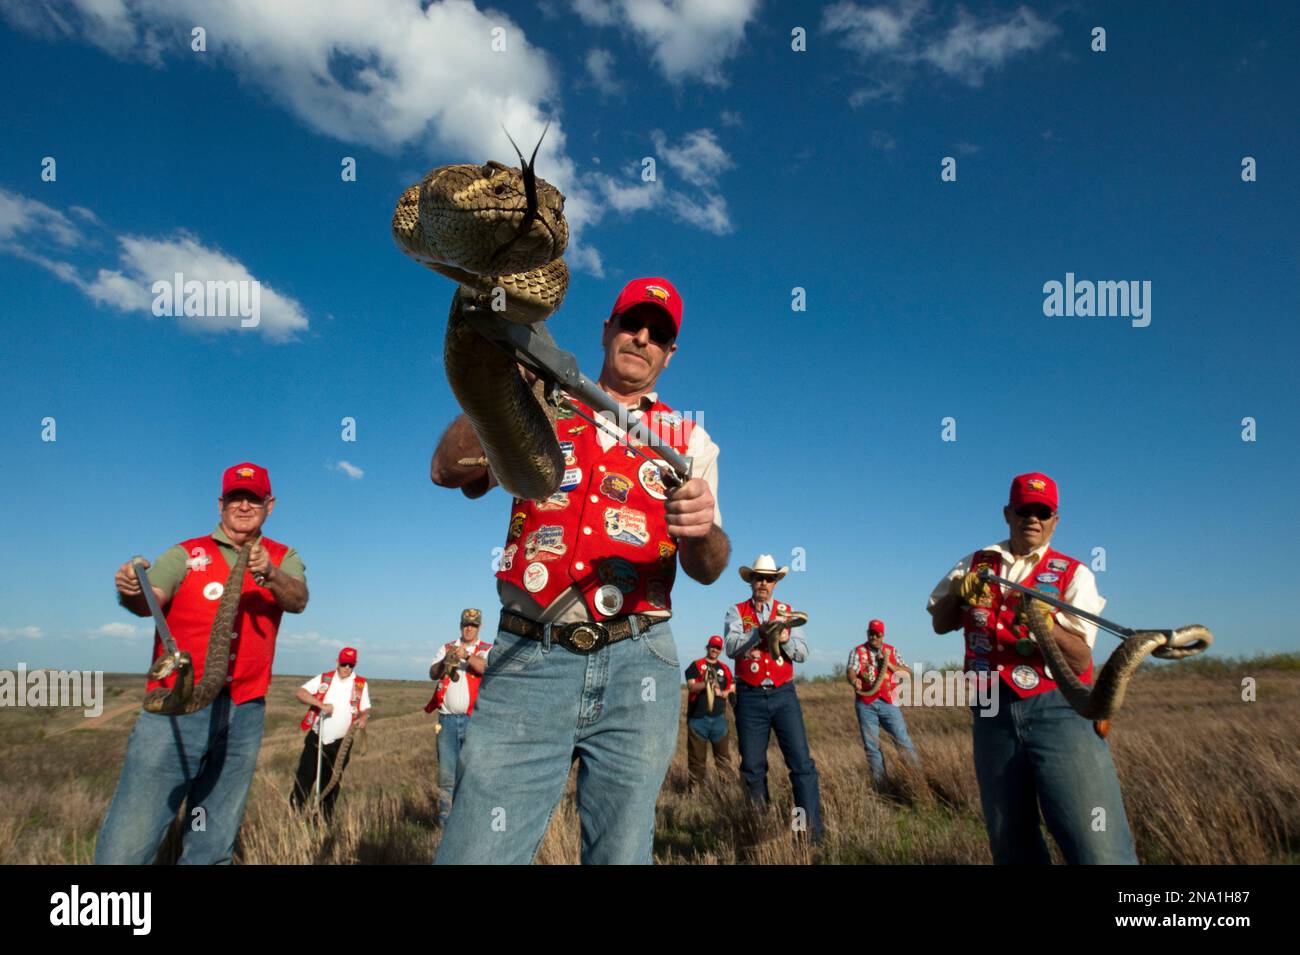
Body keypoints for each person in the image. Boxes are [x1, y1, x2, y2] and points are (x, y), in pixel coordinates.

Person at [430, 276, 730, 864]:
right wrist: (504, 387)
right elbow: (447, 468)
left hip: (639, 662)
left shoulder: (690, 440)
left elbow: (710, 566)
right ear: (606, 329)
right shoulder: (541, 400)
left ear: (670, 353)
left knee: (621, 852)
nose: (641, 338)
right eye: (631, 323)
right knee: (476, 852)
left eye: (658, 334)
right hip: (528, 658)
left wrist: (703, 529)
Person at [96, 462, 309, 864]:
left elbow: (297, 598)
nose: (243, 506)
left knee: (212, 836)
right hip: (176, 708)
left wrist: (270, 573)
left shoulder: (283, 556)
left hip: (243, 710)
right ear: (220, 503)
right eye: (234, 498)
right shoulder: (186, 553)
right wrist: (131, 589)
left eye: (253, 498)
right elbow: (149, 600)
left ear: (270, 504)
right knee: (133, 835)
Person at [926, 471, 1138, 864]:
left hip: (1059, 707)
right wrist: (958, 593)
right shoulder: (975, 562)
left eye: (1043, 512)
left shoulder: (1075, 574)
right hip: (990, 709)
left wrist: (1049, 623)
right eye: (1025, 510)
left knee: (1096, 844)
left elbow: (1080, 659)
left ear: (1056, 521)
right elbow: (940, 623)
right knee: (1011, 842)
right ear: (1009, 513)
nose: (1033, 519)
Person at [723, 554, 823, 842]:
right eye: (758, 578)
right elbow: (730, 647)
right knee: (752, 766)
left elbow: (802, 654)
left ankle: (809, 831)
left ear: (776, 582)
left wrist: (784, 639)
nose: (763, 583)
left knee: (801, 764)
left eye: (769, 578)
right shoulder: (736, 611)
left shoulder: (789, 612)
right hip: (750, 697)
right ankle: (760, 828)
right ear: (751, 581)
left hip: (783, 694)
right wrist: (758, 632)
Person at [425, 608, 492, 826]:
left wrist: (467, 656)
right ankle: (445, 824)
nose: (469, 628)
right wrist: (447, 659)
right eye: (466, 624)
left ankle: (470, 823)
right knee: (447, 776)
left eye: (473, 625)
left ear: (479, 627)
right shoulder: (446, 647)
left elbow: (487, 668)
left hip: (476, 721)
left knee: (473, 774)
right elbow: (433, 673)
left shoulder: (486, 649)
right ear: (461, 626)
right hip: (447, 721)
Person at [292, 647, 371, 823]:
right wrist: (320, 705)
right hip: (317, 737)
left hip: (340, 742)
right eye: (344, 664)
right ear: (337, 662)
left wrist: (364, 717)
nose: (347, 668)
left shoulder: (360, 684)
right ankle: (295, 816)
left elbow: (365, 707)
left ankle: (323, 820)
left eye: (350, 665)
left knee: (331, 782)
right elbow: (301, 693)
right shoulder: (324, 678)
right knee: (305, 777)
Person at [847, 619, 919, 788]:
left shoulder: (891, 651)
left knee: (902, 741)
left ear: (883, 635)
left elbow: (907, 673)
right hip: (866, 702)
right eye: (871, 633)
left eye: (877, 634)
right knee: (872, 747)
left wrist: (889, 664)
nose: (874, 637)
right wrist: (854, 680)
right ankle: (881, 786)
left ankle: (917, 781)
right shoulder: (858, 651)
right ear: (867, 633)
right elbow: (851, 669)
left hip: (889, 702)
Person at [683, 635, 735, 788]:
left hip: (719, 720)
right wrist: (706, 683)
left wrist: (723, 693)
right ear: (707, 647)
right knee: (696, 761)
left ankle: (726, 792)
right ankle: (695, 793)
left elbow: (730, 689)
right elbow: (691, 686)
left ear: (721, 651)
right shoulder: (696, 665)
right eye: (712, 646)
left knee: (723, 760)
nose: (714, 650)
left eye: (718, 648)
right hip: (698, 720)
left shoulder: (725, 668)